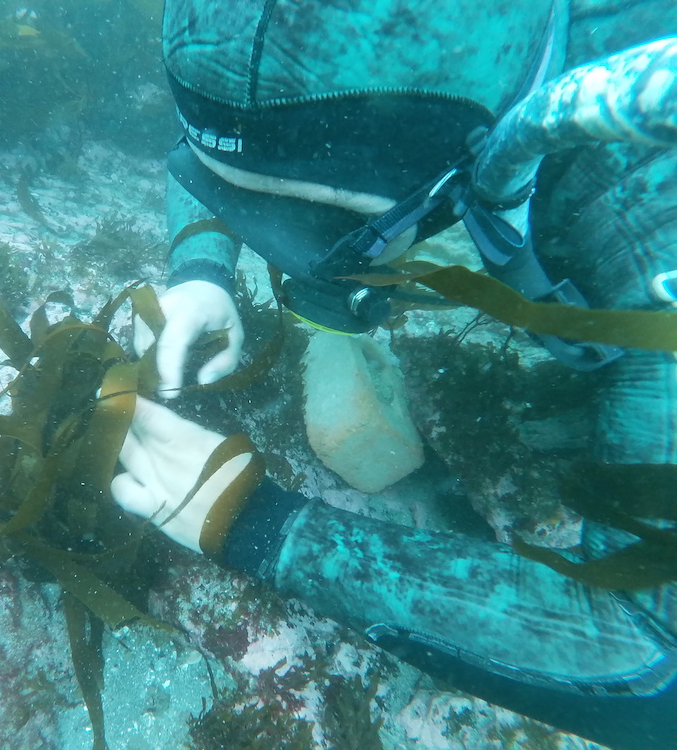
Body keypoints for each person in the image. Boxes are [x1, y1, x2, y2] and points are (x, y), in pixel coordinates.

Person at [111, 1, 677, 748]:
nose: (285, 256)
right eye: (243, 198)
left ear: (475, 156)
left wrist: (257, 526)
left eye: (320, 228)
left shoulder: (648, 197)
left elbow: (649, 653)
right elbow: (238, 120)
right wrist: (202, 265)